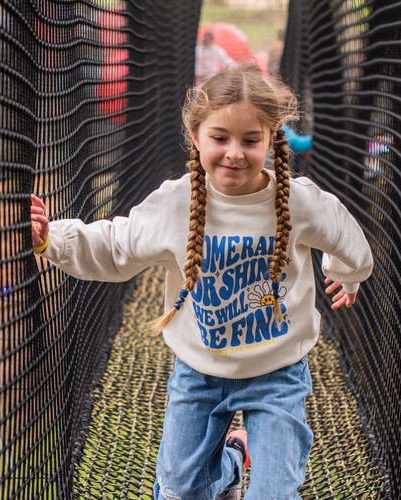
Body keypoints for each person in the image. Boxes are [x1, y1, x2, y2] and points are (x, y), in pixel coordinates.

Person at [30, 65, 373, 499]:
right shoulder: (177, 202)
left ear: (272, 140)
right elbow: (117, 245)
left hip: (278, 371)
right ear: (196, 137)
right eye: (220, 138)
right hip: (200, 370)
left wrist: (347, 272)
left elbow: (343, 232)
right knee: (179, 491)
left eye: (250, 140)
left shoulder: (298, 200)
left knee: (275, 493)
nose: (234, 152)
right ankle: (229, 463)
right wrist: (51, 239)